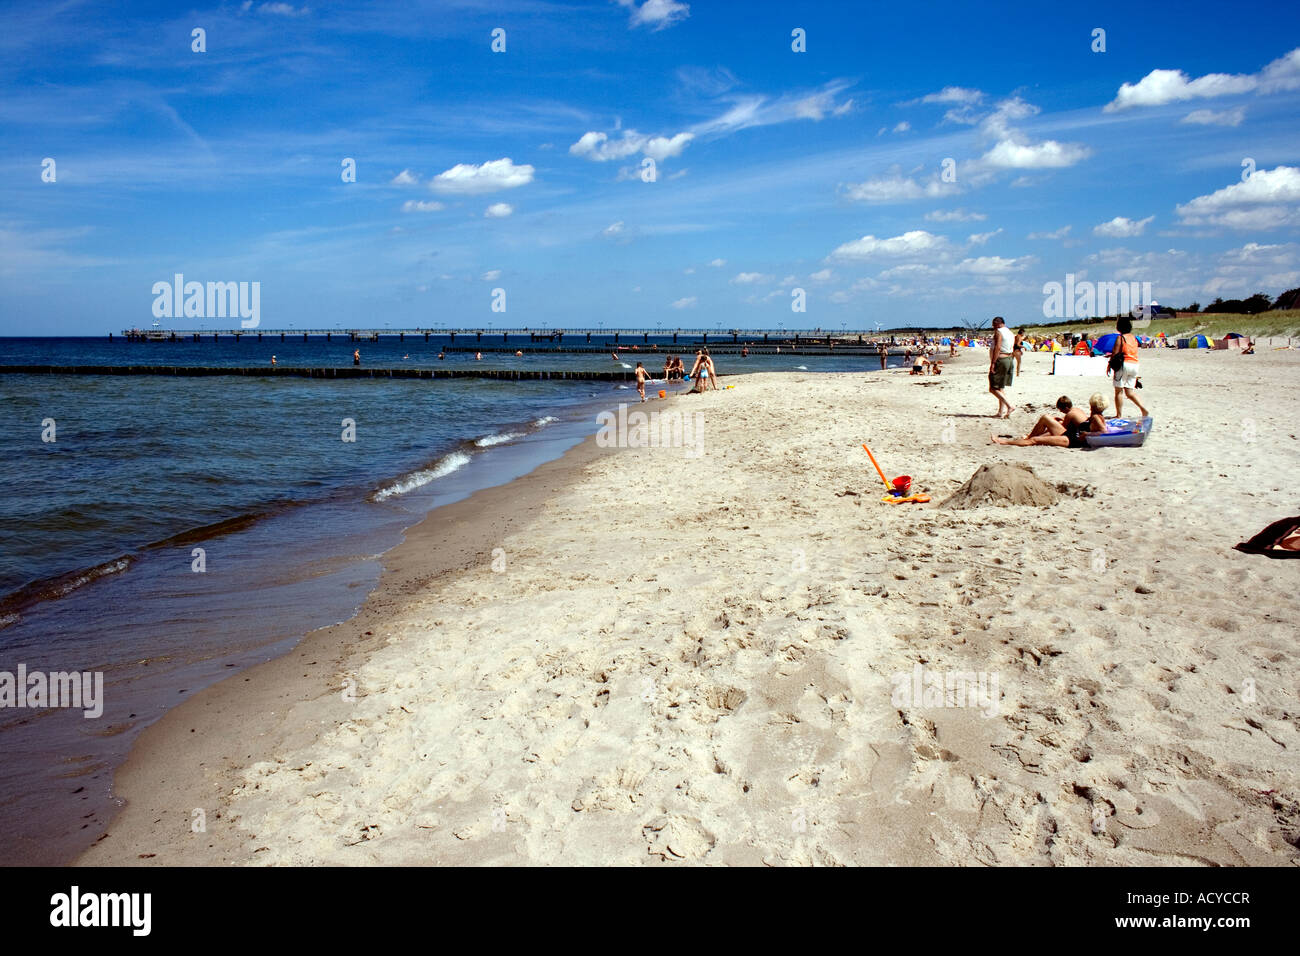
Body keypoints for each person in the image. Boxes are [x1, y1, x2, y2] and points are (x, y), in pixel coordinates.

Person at [991, 395, 1106, 447]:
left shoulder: (1096, 417)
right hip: (1071, 435)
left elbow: (1103, 432)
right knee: (1045, 418)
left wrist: (1088, 434)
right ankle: (1027, 437)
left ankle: (1004, 442)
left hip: (1073, 440)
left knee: (1035, 440)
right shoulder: (1095, 415)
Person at [1110, 316, 1149, 418]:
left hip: (1124, 365)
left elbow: (1115, 352)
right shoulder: (1134, 338)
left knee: (1118, 391)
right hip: (1135, 365)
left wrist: (1109, 365)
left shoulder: (1120, 337)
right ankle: (1143, 408)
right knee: (1130, 392)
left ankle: (1118, 415)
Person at [988, 316, 1015, 418]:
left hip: (1001, 360)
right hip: (1009, 359)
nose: (993, 327)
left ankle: (1010, 406)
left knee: (993, 388)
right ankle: (1000, 412)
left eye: (994, 325)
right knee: (1000, 387)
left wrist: (993, 363)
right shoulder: (1009, 332)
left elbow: (998, 347)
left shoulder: (999, 332)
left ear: (998, 324)